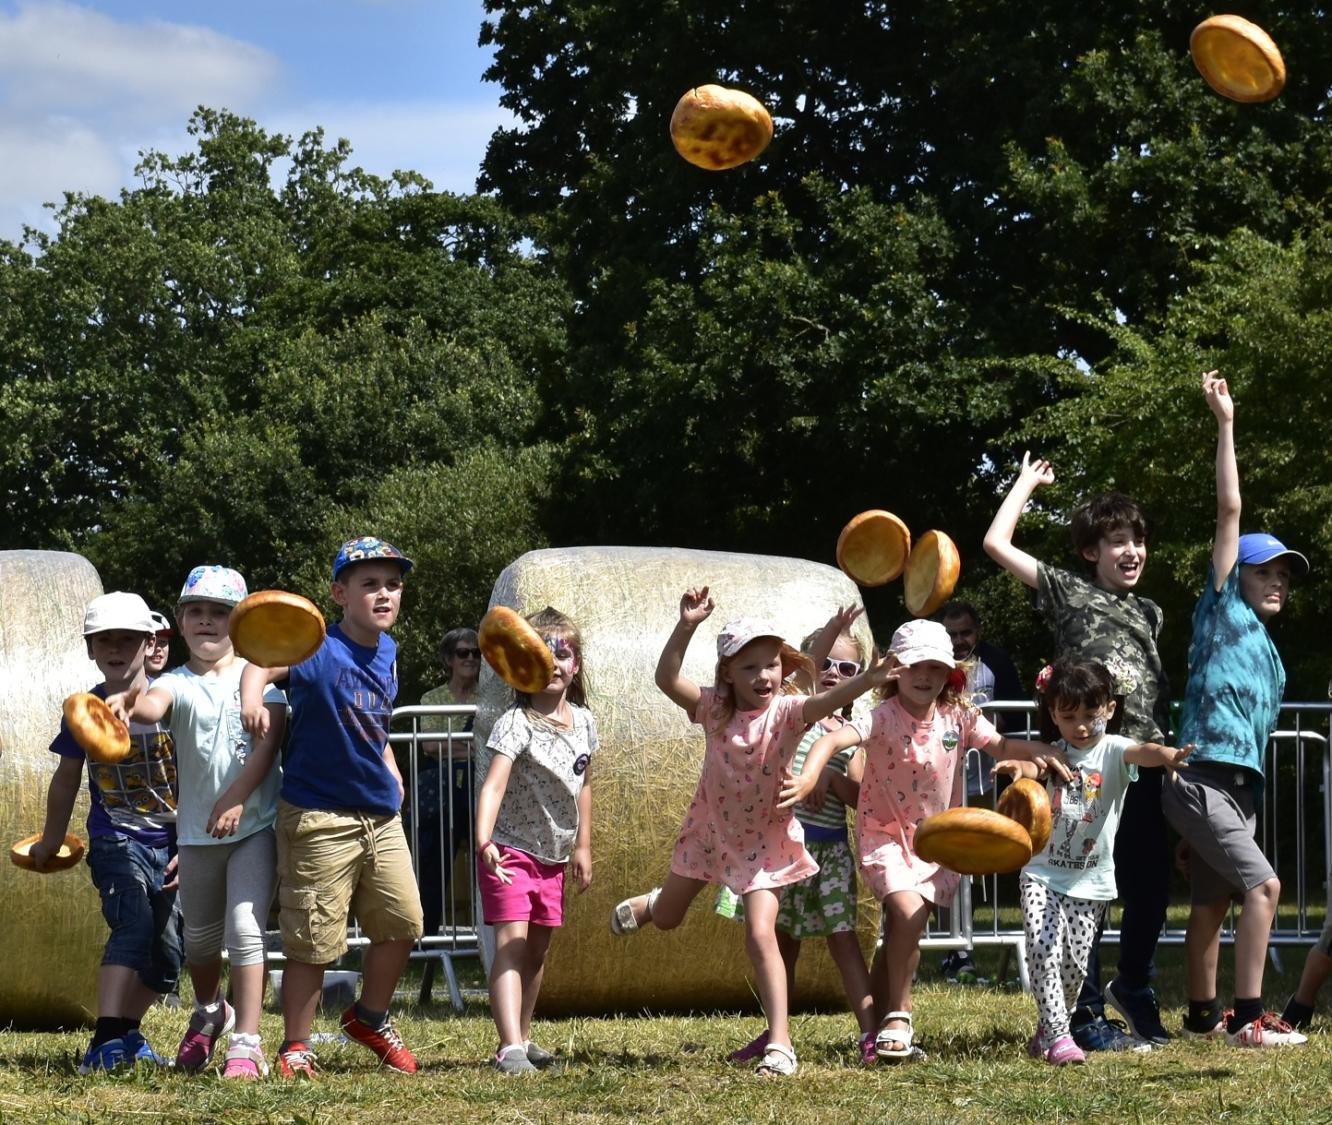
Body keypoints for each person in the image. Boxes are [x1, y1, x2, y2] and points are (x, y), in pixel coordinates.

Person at [609, 590, 894, 1078]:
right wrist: (686, 625)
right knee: (673, 916)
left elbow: (826, 697)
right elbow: (665, 679)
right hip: (710, 832)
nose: (763, 676)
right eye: (749, 667)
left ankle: (780, 1044)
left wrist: (866, 679)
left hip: (764, 844)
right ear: (726, 674)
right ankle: (655, 904)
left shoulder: (786, 713)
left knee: (762, 932)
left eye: (770, 665)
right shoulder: (714, 710)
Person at [786, 619, 1069, 1064]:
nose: (924, 677)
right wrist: (809, 774)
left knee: (905, 929)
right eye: (914, 666)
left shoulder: (959, 717)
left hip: (939, 844)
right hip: (883, 837)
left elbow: (1000, 745)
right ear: (894, 670)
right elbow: (834, 739)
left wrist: (1041, 751)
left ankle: (879, 1029)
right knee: (907, 912)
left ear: (950, 675)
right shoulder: (880, 717)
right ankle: (900, 1015)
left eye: (936, 668)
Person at [984, 451, 1172, 1050]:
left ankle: (1133, 986)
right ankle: (1082, 1017)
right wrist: (1024, 484)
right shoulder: (1069, 591)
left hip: (1138, 765)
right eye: (1118, 540)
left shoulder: (1150, 610)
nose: (1132, 551)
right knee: (1074, 884)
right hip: (1083, 768)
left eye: (1138, 539)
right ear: (1092, 552)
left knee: (1151, 885)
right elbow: (995, 543)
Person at [1161, 371, 1310, 1048]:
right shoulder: (1221, 608)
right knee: (1267, 886)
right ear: (1235, 576)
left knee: (1213, 902)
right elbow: (1229, 510)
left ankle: (1200, 1014)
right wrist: (1225, 422)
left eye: (1283, 575)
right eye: (1265, 571)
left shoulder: (1271, 654)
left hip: (1238, 784)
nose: (1276, 581)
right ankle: (1250, 1019)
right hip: (1200, 771)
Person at [240, 536, 424, 1078]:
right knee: (314, 939)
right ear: (340, 593)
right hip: (319, 816)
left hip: (380, 815)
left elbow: (373, 721)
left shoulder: (388, 652)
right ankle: (295, 1046)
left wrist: (390, 765)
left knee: (403, 922)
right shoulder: (317, 645)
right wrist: (253, 697)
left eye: (392, 584)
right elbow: (259, 662)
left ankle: (369, 1017)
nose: (384, 593)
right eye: (370, 584)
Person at [109, 566, 287, 1078]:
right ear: (181, 623)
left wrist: (235, 800)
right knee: (201, 943)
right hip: (197, 836)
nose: (207, 621)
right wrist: (127, 701)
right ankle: (211, 1011)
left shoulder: (259, 677)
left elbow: (268, 745)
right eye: (196, 612)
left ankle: (247, 1042)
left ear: (241, 623)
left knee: (245, 928)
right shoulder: (177, 684)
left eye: (220, 613)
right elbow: (152, 704)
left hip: (254, 826)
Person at [997, 656, 1191, 1065]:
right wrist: (1019, 765)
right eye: (1068, 717)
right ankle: (1061, 1039)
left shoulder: (1114, 751)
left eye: (1091, 715)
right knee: (1043, 947)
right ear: (1053, 714)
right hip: (1042, 873)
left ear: (1110, 709)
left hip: (1091, 881)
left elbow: (1146, 750)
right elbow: (1033, 765)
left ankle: (1049, 1028)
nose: (1081, 726)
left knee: (1073, 970)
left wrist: (1169, 754)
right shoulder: (1053, 754)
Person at [30, 592, 182, 1074]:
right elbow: (66, 778)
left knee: (170, 958)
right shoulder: (84, 710)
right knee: (132, 925)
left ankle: (128, 1033)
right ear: (91, 649)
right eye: (104, 641)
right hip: (117, 837)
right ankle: (105, 1040)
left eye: (127, 640)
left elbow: (201, 773)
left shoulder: (174, 700)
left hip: (176, 844)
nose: (116, 649)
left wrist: (197, 844)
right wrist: (52, 838)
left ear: (149, 642)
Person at [719, 610, 877, 1066]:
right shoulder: (791, 716)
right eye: (827, 665)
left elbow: (860, 795)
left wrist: (830, 783)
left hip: (828, 853)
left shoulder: (847, 736)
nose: (834, 674)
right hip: (782, 853)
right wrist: (825, 637)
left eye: (848, 669)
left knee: (843, 940)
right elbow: (807, 670)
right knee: (780, 943)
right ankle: (776, 1033)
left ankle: (870, 1032)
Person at [474, 607, 596, 1075]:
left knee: (539, 950)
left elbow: (584, 784)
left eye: (563, 653)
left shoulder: (584, 722)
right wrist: (484, 839)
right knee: (512, 944)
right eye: (542, 653)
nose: (554, 663)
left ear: (576, 665)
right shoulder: (516, 722)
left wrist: (583, 845)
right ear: (523, 664)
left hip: (554, 856)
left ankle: (523, 1035)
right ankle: (509, 1047)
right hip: (509, 851)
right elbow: (494, 784)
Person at [936, 600, 1025, 983]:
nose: (958, 642)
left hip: (985, 779)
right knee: (948, 860)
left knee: (978, 862)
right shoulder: (932, 660)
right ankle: (953, 950)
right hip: (941, 778)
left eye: (965, 633)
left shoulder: (996, 662)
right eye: (951, 635)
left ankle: (975, 942)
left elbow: (1019, 713)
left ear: (979, 631)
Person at [415, 627, 481, 948]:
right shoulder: (432, 698)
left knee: (488, 865)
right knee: (433, 868)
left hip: (481, 793)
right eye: (463, 652)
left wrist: (453, 745)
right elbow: (429, 745)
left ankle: (489, 938)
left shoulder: (491, 698)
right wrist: (475, 747)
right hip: (445, 797)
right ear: (448, 659)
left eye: (476, 653)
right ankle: (426, 939)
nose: (471, 658)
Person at [146, 611, 173, 677]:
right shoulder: (120, 684)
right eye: (150, 643)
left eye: (163, 642)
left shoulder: (177, 680)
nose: (158, 648)